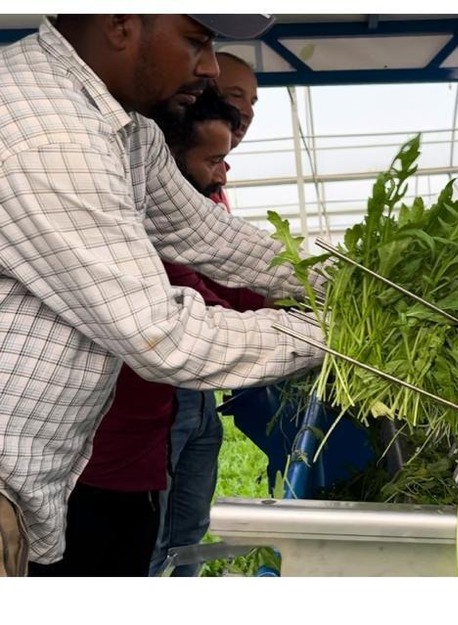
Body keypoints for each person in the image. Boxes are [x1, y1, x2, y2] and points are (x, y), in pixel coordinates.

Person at [0, 14, 326, 576]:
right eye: (197, 41)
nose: (210, 68)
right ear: (120, 23)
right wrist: (348, 335)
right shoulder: (49, 135)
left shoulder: (124, 127)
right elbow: (165, 336)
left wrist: (355, 282)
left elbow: (211, 236)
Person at [27, 87, 247, 577]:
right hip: (97, 458)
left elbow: (224, 261)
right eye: (213, 158)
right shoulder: (111, 218)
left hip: (142, 446)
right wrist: (305, 334)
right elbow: (178, 316)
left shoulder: (177, 205)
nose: (222, 172)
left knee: (161, 535)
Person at [149, 54, 265, 577]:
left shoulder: (210, 189)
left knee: (187, 525)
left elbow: (231, 272)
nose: (246, 113)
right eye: (236, 96)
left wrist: (275, 300)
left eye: (252, 103)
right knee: (154, 530)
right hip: (156, 391)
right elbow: (188, 292)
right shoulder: (156, 196)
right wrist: (285, 326)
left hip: (192, 391)